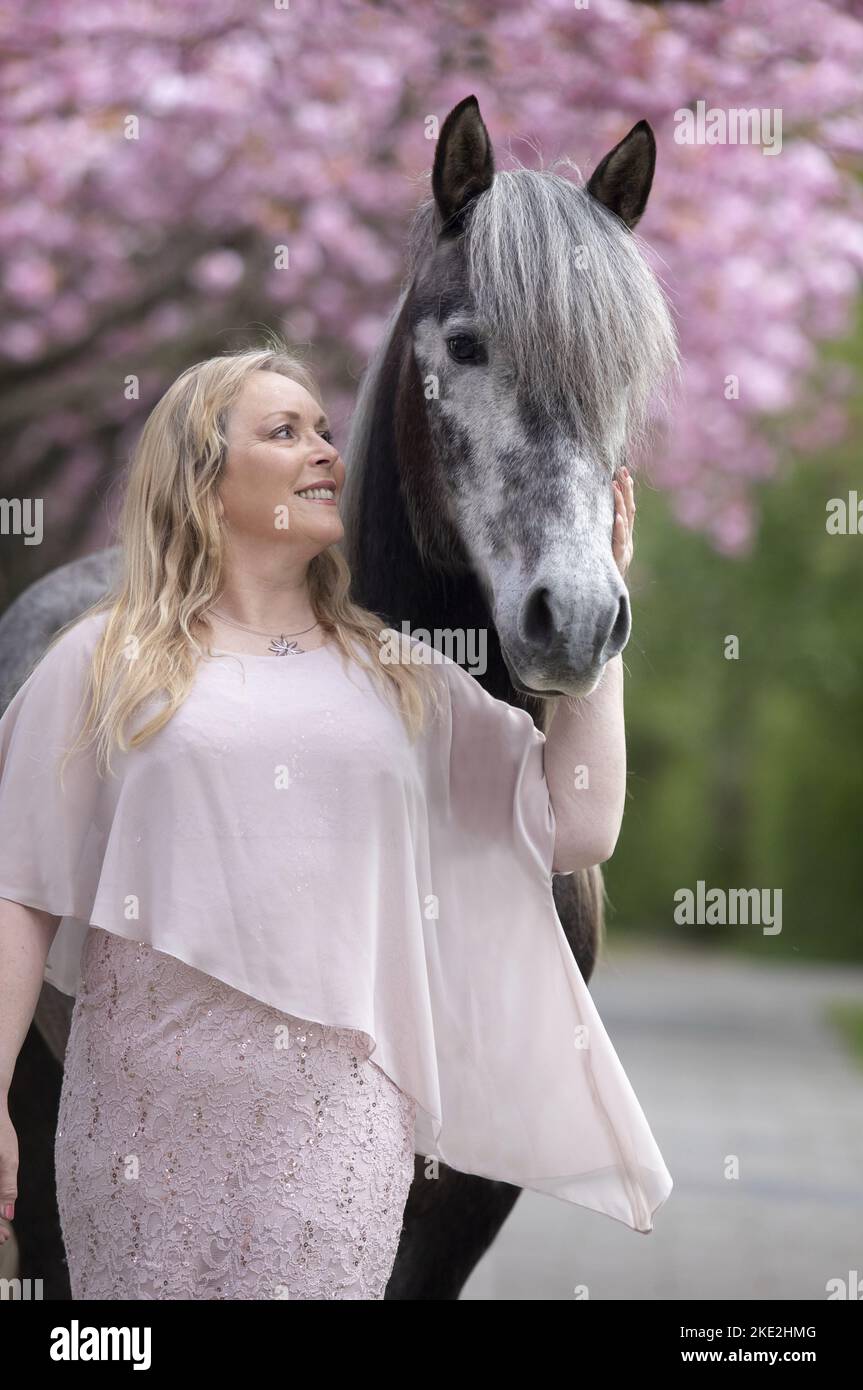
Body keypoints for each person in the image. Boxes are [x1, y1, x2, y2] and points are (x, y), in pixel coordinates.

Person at [0, 340, 670, 1300]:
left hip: (332, 1145)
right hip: (135, 1130)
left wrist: (605, 612)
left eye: (323, 429)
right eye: (283, 432)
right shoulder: (97, 661)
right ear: (204, 479)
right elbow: (17, 890)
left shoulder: (401, 677)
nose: (325, 450)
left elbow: (579, 821)